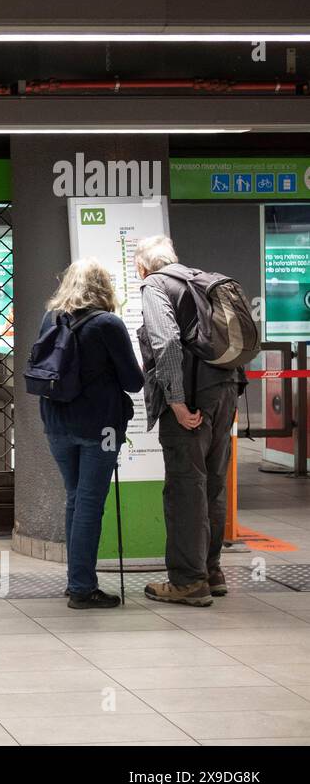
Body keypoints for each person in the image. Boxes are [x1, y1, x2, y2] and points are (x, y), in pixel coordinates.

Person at [136, 234, 245, 608]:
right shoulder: (203, 280)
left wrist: (177, 401)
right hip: (226, 391)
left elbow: (165, 342)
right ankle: (212, 571)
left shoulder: (155, 284)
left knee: (186, 485)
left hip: (193, 396)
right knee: (213, 484)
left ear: (141, 266)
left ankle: (187, 581)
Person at [36, 259, 144, 610]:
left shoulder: (50, 319)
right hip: (101, 427)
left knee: (74, 497)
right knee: (89, 503)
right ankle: (82, 587)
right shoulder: (107, 323)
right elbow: (133, 381)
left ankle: (75, 580)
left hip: (56, 423)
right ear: (104, 286)